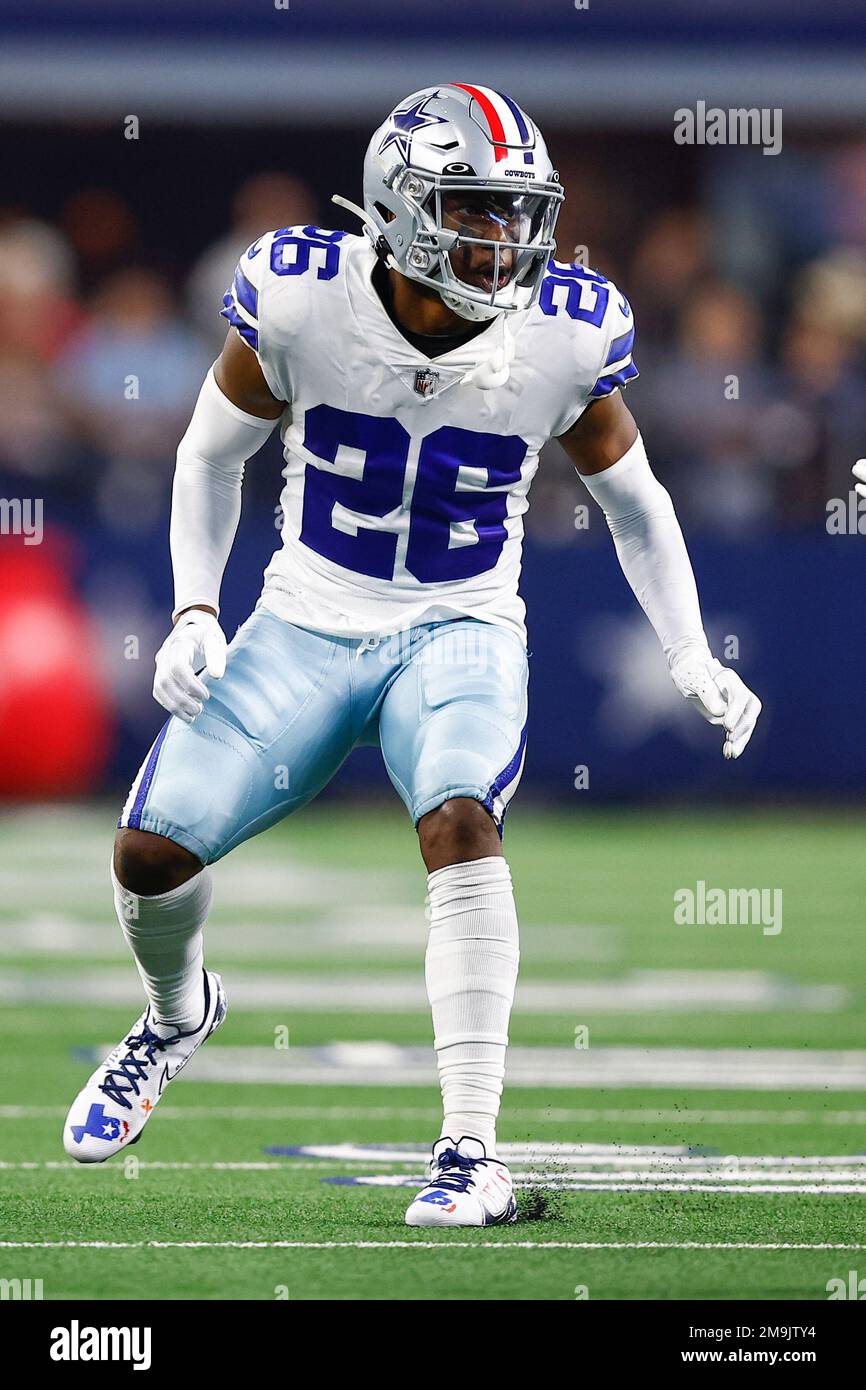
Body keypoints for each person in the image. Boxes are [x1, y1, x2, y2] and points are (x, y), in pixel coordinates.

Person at [63, 84, 761, 1227]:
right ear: (396, 206)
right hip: (304, 618)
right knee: (148, 854)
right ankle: (176, 1015)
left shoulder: (563, 330)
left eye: (516, 213)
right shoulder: (301, 297)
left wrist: (687, 652)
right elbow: (204, 458)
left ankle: (466, 1149)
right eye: (474, 210)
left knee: (459, 820)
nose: (504, 241)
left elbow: (635, 505)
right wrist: (196, 608)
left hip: (461, 627)